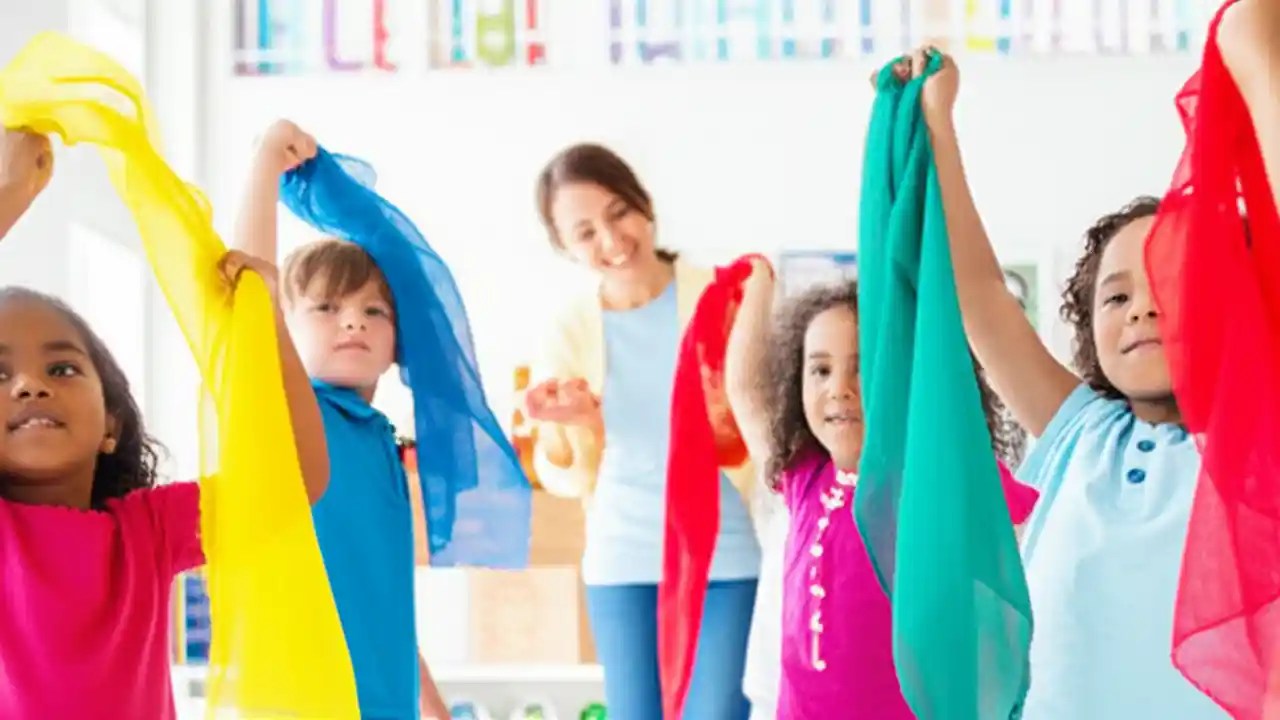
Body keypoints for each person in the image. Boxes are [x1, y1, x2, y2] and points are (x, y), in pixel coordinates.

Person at [916, 46, 1225, 717]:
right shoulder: (1082, 431)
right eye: (1115, 297)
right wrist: (938, 123)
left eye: (1172, 283)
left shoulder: (1251, 442)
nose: (1141, 307)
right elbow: (980, 294)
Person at [0, 128, 330, 718]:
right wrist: (7, 194)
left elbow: (294, 479)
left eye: (62, 366)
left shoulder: (145, 533)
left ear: (112, 425)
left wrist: (269, 325)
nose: (31, 384)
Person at [724, 272, 1035, 719]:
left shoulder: (932, 480)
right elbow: (747, 392)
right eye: (821, 369)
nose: (839, 388)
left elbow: (1026, 527)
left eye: (864, 366)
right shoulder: (804, 478)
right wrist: (758, 281)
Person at [524, 143, 760, 720]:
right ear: (563, 247)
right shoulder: (570, 325)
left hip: (722, 555)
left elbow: (761, 424)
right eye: (584, 232)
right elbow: (563, 475)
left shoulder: (723, 296)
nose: (610, 240)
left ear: (644, 204)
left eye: (618, 213)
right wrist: (569, 427)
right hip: (621, 556)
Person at [233, 120, 448, 720]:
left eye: (373, 311)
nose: (353, 322)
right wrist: (263, 166)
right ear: (285, 324)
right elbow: (245, 294)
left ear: (399, 340)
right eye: (326, 308)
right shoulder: (288, 409)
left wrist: (436, 710)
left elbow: (383, 611)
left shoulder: (379, 442)